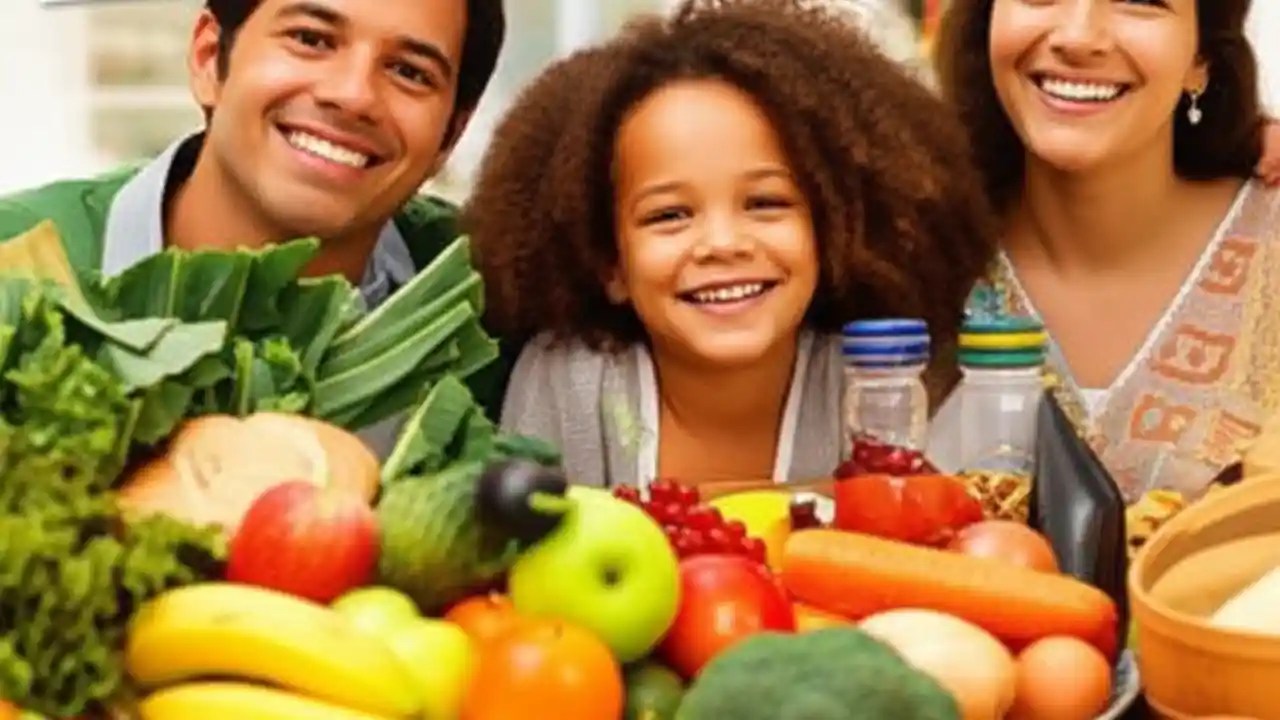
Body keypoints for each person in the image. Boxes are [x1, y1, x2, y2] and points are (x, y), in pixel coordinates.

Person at [463, 0, 996, 489]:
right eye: (669, 215)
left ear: (834, 228)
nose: (722, 244)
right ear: (611, 264)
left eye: (765, 203)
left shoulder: (874, 381)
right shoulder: (570, 383)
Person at [0, 0, 509, 425]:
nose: (354, 96)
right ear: (207, 59)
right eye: (312, 39)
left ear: (451, 135)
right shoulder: (16, 259)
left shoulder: (505, 301)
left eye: (409, 72)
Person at [927, 0, 1280, 509]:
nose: (1078, 36)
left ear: (1201, 57)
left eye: (1138, 1)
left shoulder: (1265, 240)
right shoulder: (904, 254)